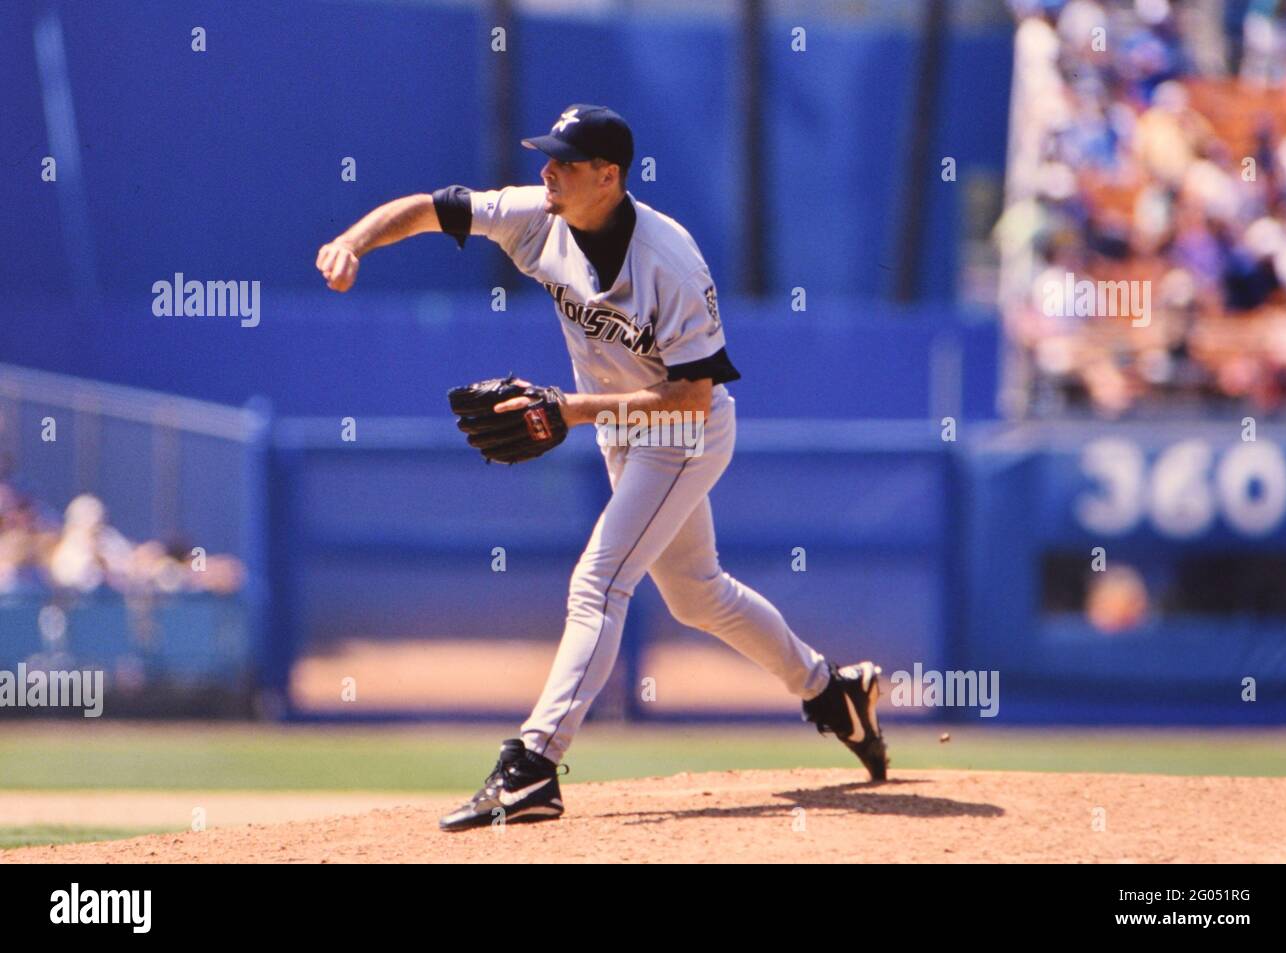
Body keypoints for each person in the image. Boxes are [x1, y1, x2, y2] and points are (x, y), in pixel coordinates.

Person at [316, 104, 887, 832]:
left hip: (685, 431)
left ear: (608, 176)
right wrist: (352, 241)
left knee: (599, 580)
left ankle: (533, 766)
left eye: (564, 160)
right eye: (546, 155)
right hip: (620, 425)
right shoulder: (536, 215)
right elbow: (432, 208)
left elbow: (692, 393)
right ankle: (832, 692)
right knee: (696, 595)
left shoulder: (669, 259)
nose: (546, 169)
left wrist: (571, 409)